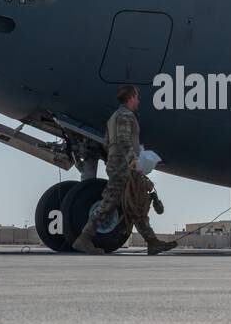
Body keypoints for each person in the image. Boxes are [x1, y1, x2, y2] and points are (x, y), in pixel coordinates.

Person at [73, 85, 177, 255]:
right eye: (137, 97)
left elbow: (106, 142)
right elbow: (123, 139)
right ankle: (84, 237)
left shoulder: (114, 117)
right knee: (111, 202)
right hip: (124, 165)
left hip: (118, 163)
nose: (138, 100)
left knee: (135, 202)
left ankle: (152, 242)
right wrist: (132, 158)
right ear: (131, 97)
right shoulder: (126, 115)